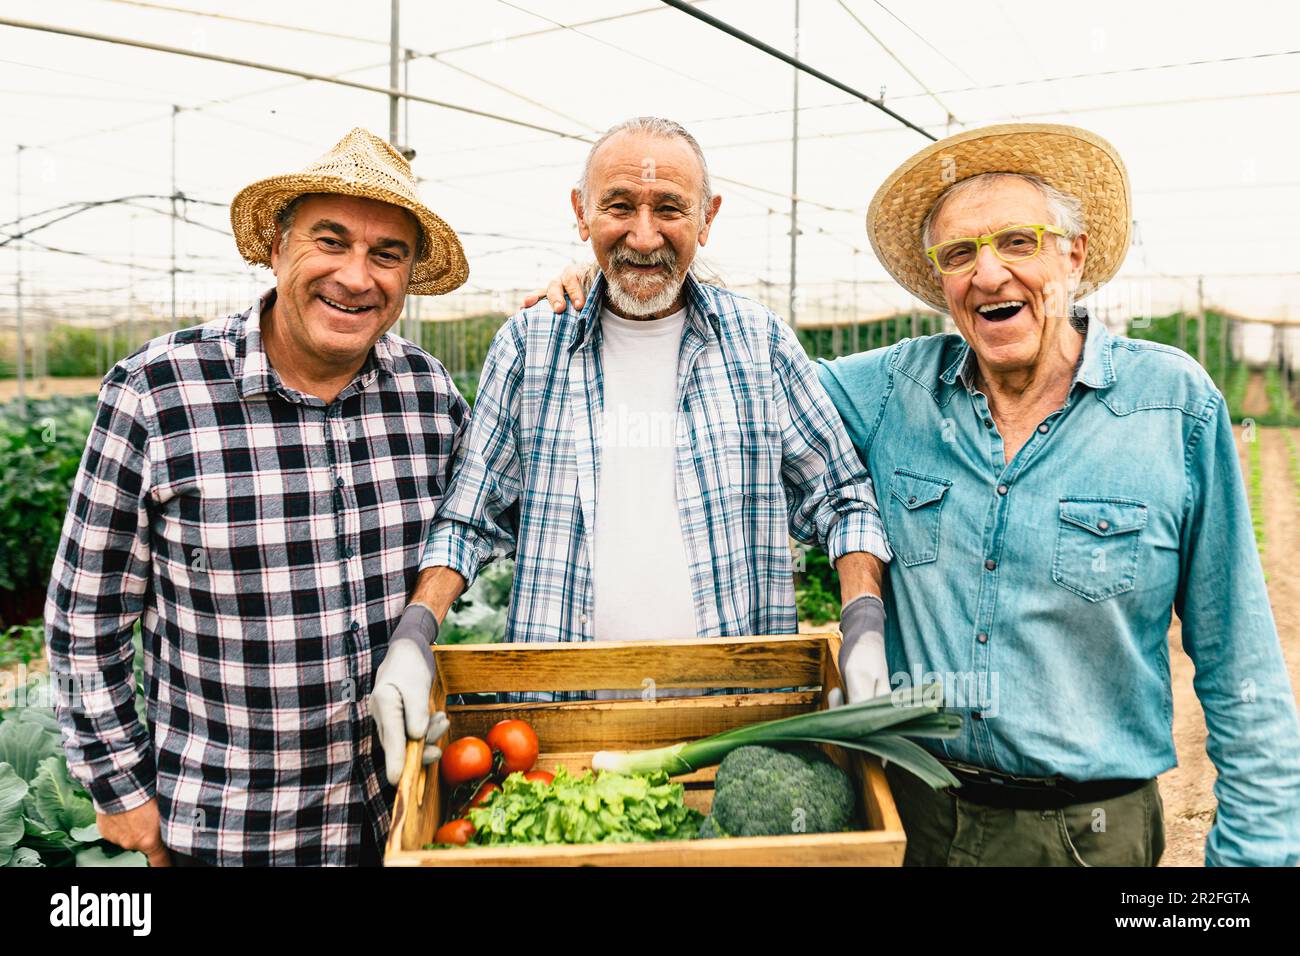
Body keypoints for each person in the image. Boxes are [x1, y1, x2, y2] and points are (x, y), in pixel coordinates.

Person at [816, 122, 1300, 866]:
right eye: (960, 254)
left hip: (1088, 837)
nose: (988, 274)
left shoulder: (1172, 407)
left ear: (1072, 256)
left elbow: (1240, 662)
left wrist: (1257, 858)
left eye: (1018, 241)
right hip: (918, 822)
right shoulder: (887, 391)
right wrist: (633, 291)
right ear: (941, 282)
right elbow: (753, 379)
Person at [44, 128, 470, 866]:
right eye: (329, 241)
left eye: (387, 254)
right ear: (277, 246)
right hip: (234, 834)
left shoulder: (428, 395)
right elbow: (86, 616)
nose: (356, 276)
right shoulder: (158, 392)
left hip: (397, 818)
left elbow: (479, 522)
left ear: (407, 277)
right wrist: (121, 793)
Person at [382, 116, 892, 717]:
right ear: (581, 212)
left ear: (708, 217)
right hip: (559, 719)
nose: (644, 237)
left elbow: (841, 496)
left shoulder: (761, 344)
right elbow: (469, 516)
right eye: (619, 206)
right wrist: (417, 632)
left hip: (737, 714)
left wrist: (862, 619)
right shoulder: (531, 345)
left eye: (670, 209)